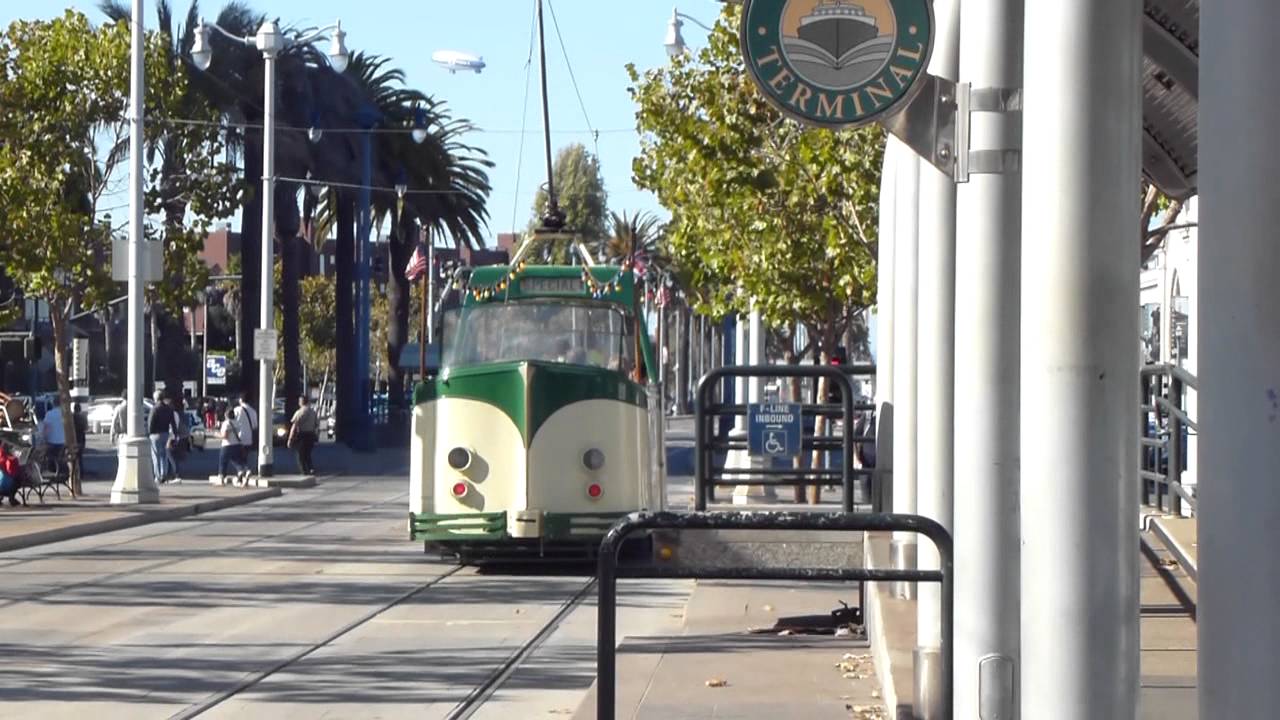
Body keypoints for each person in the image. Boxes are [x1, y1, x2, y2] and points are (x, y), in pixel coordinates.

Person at [148, 391, 179, 483]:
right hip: (165, 433)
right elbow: (173, 423)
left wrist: (149, 433)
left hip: (155, 434)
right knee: (164, 455)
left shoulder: (154, 409)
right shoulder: (169, 409)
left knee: (155, 455)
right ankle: (163, 474)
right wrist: (175, 434)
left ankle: (157, 476)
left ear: (156, 398)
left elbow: (150, 423)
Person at [288, 395, 319, 476]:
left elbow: (294, 426)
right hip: (311, 435)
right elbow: (316, 425)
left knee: (300, 455)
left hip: (302, 436)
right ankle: (311, 469)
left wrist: (290, 439)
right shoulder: (313, 412)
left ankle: (304, 472)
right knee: (307, 454)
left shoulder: (299, 412)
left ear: (301, 402)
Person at [217, 408, 248, 485]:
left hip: (227, 445)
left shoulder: (226, 423)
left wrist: (216, 435)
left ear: (226, 415)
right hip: (237, 444)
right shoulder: (237, 422)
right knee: (236, 460)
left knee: (223, 461)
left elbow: (225, 436)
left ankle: (221, 477)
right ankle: (241, 471)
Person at [234, 395, 258, 476]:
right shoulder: (253, 411)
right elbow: (255, 426)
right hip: (249, 438)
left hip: (238, 438)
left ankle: (243, 470)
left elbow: (233, 422)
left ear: (241, 400)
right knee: (244, 456)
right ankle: (244, 471)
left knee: (235, 456)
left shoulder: (237, 410)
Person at [41, 402, 65, 477]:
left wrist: (44, 438)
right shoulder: (64, 414)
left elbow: (46, 428)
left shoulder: (49, 414)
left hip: (51, 440)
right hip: (62, 440)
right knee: (60, 458)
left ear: (53, 404)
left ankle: (52, 473)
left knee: (50, 457)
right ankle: (61, 473)